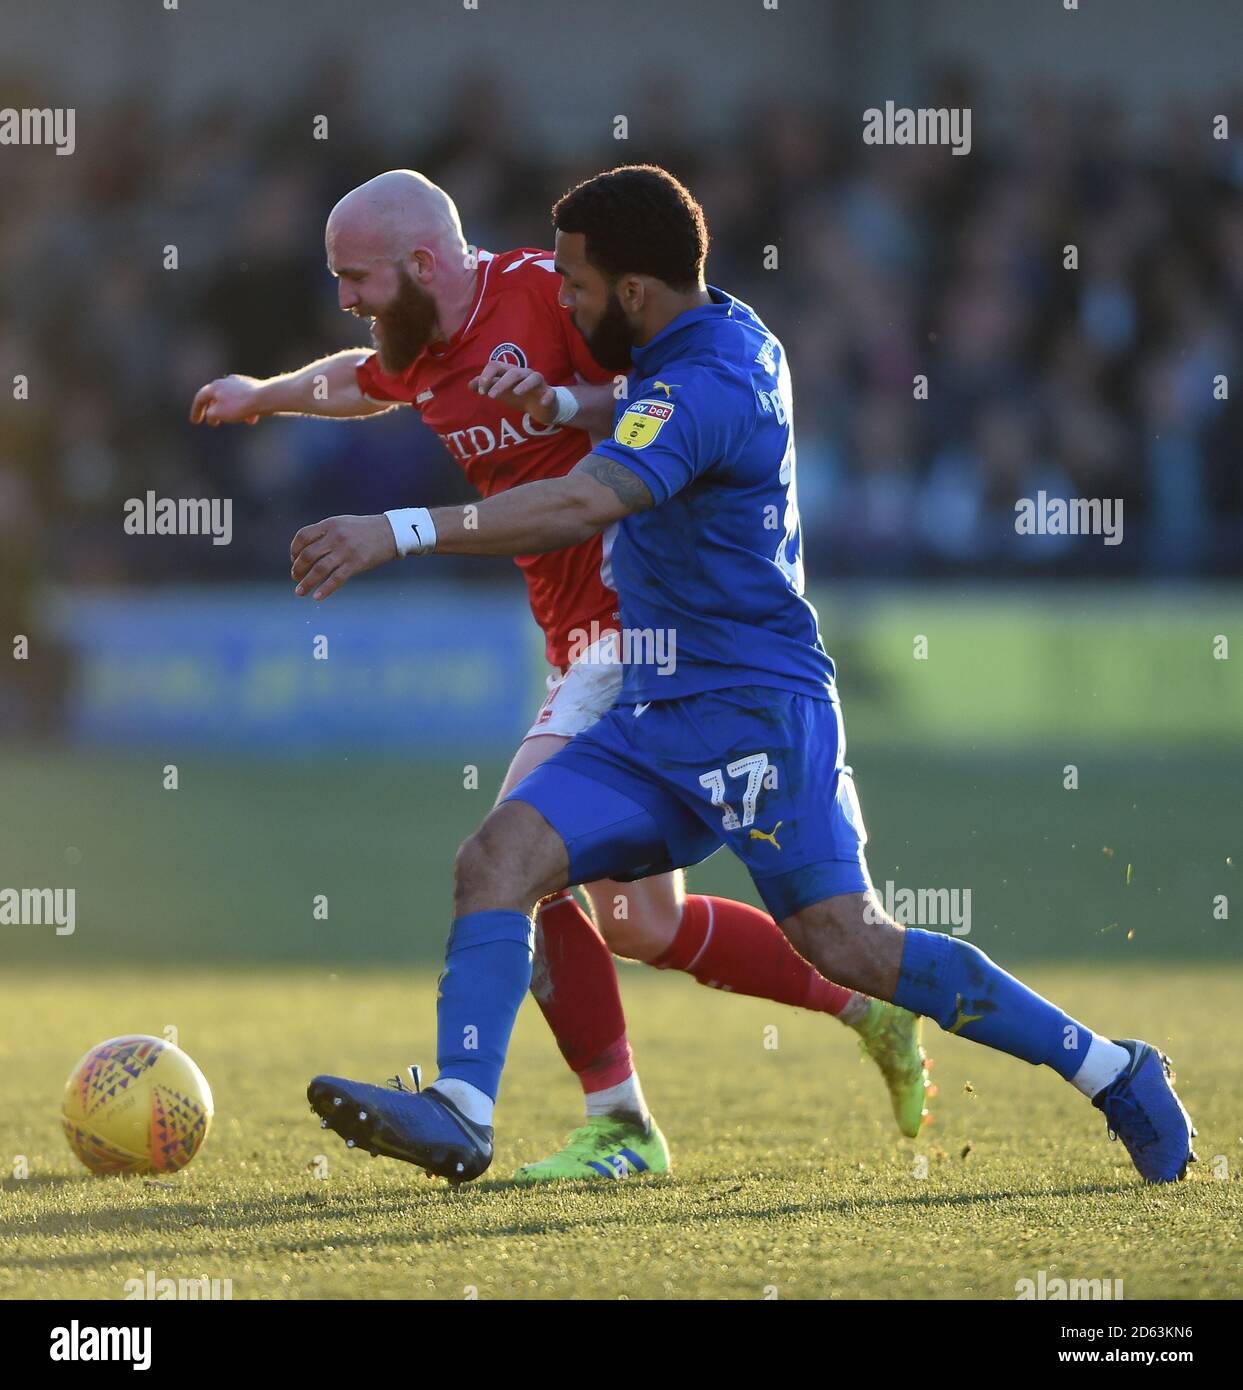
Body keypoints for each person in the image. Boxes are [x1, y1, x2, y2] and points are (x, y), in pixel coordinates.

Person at [296, 164, 1196, 1188]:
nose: (565, 303)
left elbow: (579, 505)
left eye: (578, 291)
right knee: (498, 860)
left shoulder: (707, 380)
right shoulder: (700, 339)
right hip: (651, 708)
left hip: (752, 712)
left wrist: (396, 531)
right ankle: (460, 1109)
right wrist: (558, 396)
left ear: (631, 293)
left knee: (850, 944)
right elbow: (623, 401)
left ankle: (1115, 1068)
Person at [191, 169, 931, 1181]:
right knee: (642, 922)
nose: (347, 302)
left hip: (639, 624)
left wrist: (562, 399)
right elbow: (364, 383)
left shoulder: (548, 294)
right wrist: (266, 397)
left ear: (420, 262)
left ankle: (587, 1120)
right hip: (579, 638)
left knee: (510, 861)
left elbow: (668, 393)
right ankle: (862, 1003)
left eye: (354, 278)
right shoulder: (421, 348)